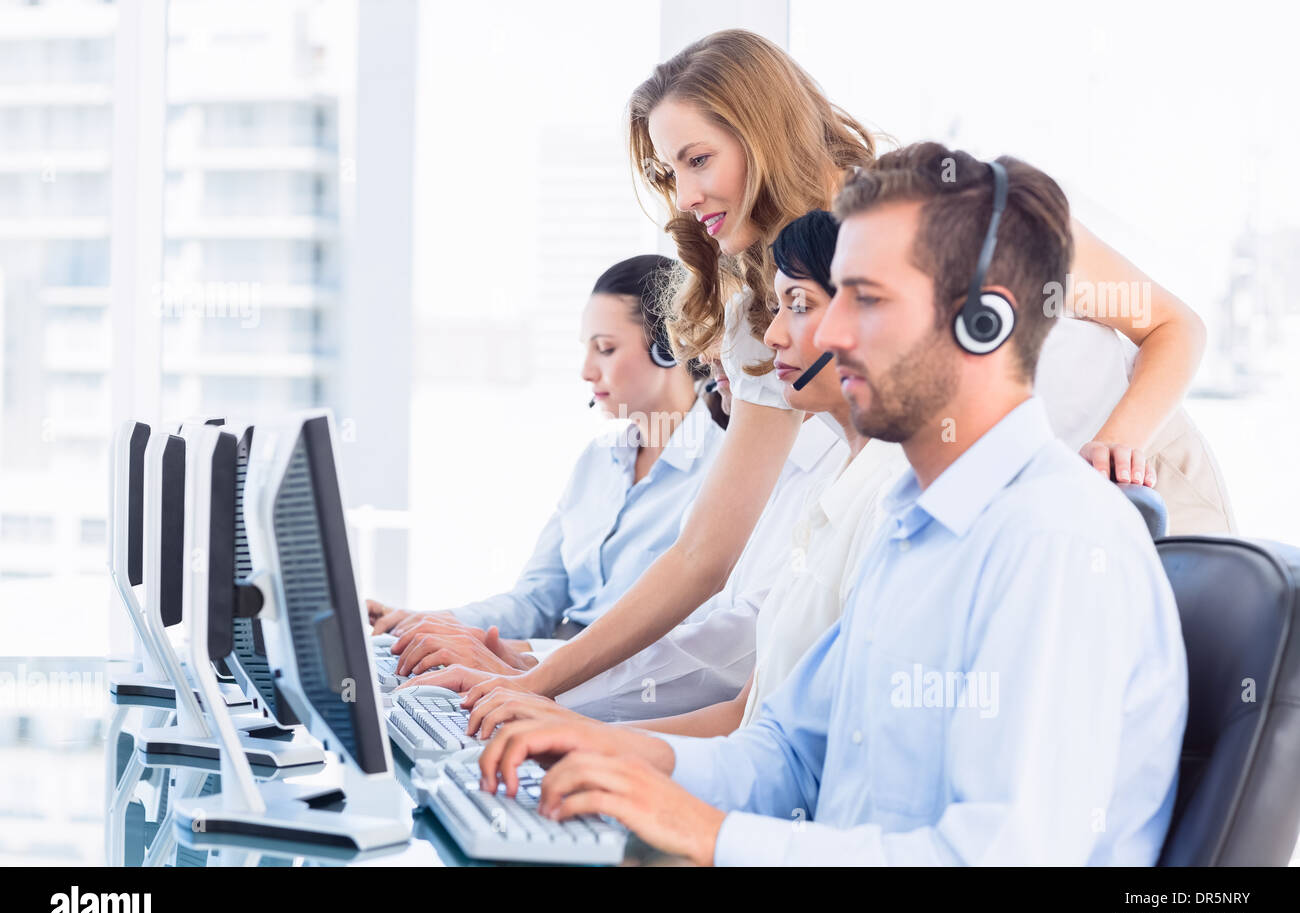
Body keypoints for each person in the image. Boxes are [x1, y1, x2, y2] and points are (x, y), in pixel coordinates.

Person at [395, 27, 1226, 711]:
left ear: (759, 132)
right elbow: (705, 557)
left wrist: (1111, 452)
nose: (681, 195)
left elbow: (1173, 325)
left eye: (695, 159)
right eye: (665, 173)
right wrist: (535, 686)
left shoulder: (957, 210)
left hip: (1137, 486)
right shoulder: (763, 305)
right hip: (999, 534)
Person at [475, 143, 1189, 867]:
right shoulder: (911, 528)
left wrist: (707, 835)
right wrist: (606, 748)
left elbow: (998, 856)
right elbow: (786, 752)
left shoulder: (1050, 542)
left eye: (867, 299)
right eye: (835, 295)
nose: (834, 333)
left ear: (984, 323)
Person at [459, 210, 907, 737]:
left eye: (794, 308)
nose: (762, 338)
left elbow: (730, 668)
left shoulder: (866, 491)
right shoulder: (813, 483)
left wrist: (546, 691)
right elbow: (753, 715)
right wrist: (540, 691)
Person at [367, 255, 724, 676]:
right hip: (546, 672)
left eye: (606, 349)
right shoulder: (598, 461)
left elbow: (692, 641)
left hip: (622, 692)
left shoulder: (724, 467)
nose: (587, 371)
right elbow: (537, 600)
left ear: (669, 346)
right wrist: (425, 624)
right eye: (586, 349)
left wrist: (521, 654)